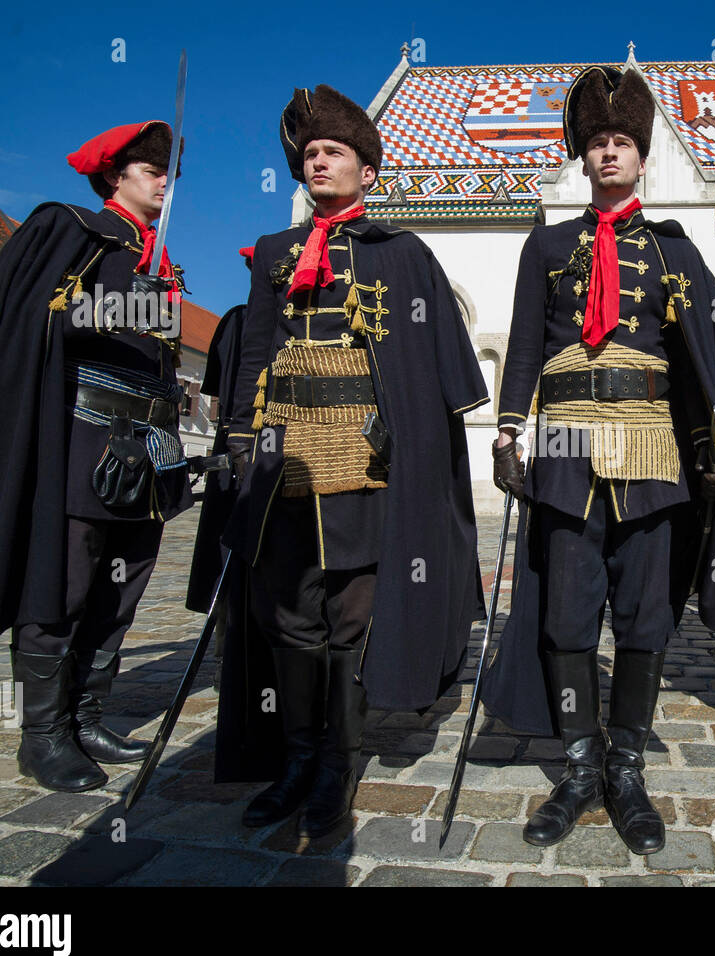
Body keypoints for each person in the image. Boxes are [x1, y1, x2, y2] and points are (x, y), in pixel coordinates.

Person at [481, 66, 715, 855]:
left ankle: (629, 767)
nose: (609, 153)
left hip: (652, 443)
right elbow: (523, 346)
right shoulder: (545, 244)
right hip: (569, 437)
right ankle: (579, 768)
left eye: (621, 142)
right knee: (568, 609)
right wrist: (511, 431)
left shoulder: (674, 251)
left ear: (642, 157)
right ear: (583, 157)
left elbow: (711, 347)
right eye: (597, 143)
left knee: (646, 615)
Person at [218, 85, 489, 839]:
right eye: (309, 155)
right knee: (290, 616)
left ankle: (340, 759)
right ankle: (297, 756)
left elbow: (429, 373)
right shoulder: (274, 254)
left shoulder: (401, 253)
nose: (318, 163)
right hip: (283, 461)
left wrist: (426, 463)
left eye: (333, 152)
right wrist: (240, 440)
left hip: (364, 460)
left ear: (369, 171)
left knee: (352, 617)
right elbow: (251, 355)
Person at [0, 121, 193, 792]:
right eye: (150, 168)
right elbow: (33, 318)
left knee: (121, 590)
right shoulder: (73, 230)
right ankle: (43, 735)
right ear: (114, 176)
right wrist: (106, 310)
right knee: (62, 582)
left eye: (169, 170)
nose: (165, 179)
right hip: (83, 437)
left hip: (149, 444)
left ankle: (88, 712)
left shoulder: (158, 261)